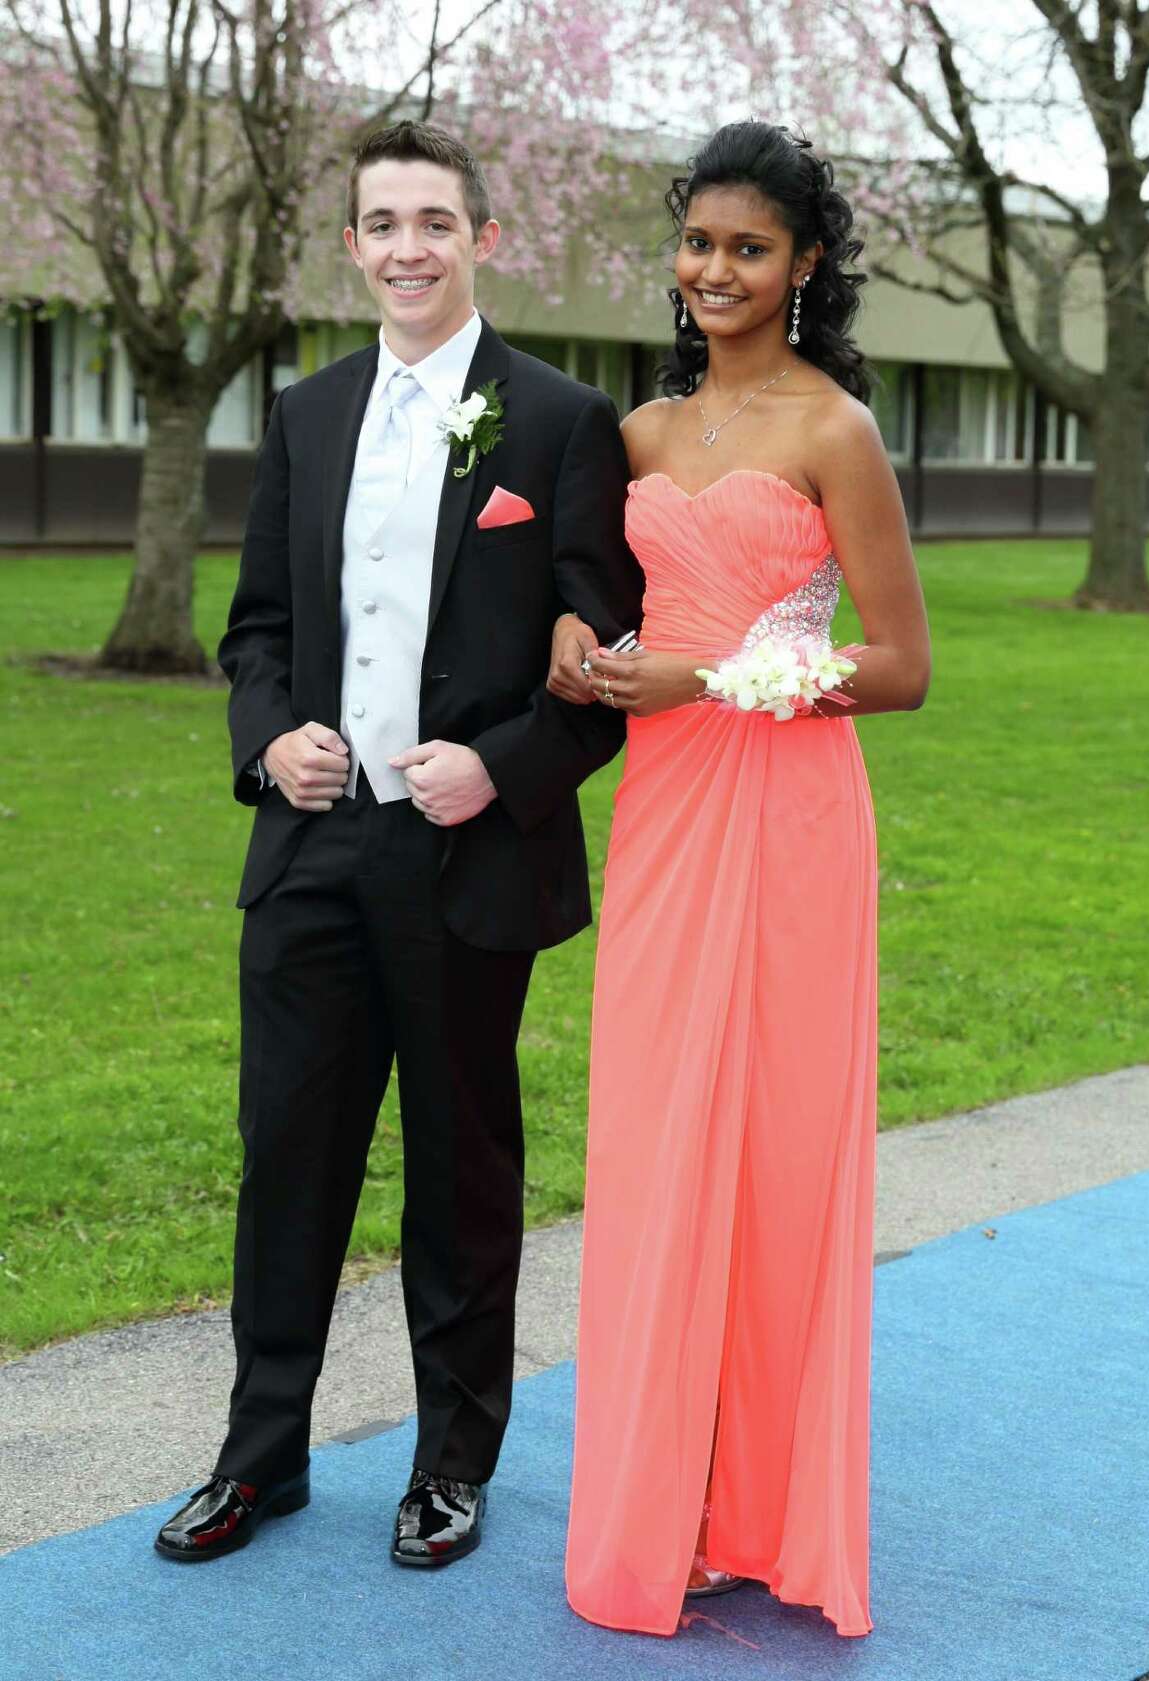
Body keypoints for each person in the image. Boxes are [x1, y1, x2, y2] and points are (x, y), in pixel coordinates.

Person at [154, 119, 643, 1568]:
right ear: (353, 245)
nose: (409, 246)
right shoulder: (304, 417)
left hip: (462, 864)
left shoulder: (559, 422)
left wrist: (495, 772)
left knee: (461, 1168)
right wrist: (269, 739)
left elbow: (608, 667)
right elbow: (256, 637)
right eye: (383, 222)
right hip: (308, 853)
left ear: (483, 237)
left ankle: (451, 1463)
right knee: (285, 1161)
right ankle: (260, 1458)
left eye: (436, 219)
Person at [554, 121, 931, 1637]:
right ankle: (669, 1507)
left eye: (749, 248)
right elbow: (588, 615)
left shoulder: (836, 430)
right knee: (657, 1147)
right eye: (699, 243)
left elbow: (901, 666)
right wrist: (579, 658)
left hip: (789, 819)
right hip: (664, 816)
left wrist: (710, 678)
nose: (716, 270)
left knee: (774, 1158)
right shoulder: (636, 438)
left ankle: (770, 1516)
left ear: (806, 264)